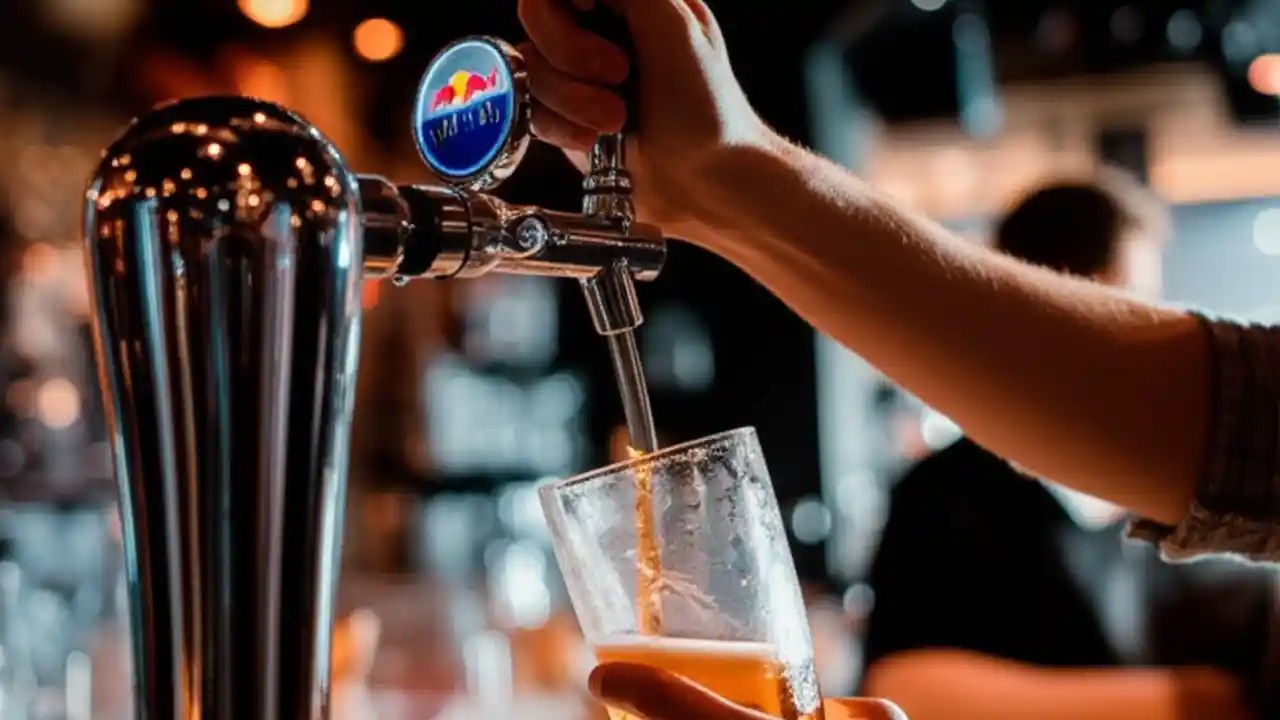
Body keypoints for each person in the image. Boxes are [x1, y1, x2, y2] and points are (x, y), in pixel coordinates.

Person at [516, 0, 1280, 716]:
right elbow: (1229, 421)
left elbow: (1227, 427)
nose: (1134, 322)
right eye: (1129, 303)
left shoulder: (1149, 520)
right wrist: (723, 179)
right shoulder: (957, 494)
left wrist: (727, 181)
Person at [860, 176, 1276, 720]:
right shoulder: (950, 491)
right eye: (1139, 302)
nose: (1158, 326)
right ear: (1075, 304)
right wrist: (1187, 701)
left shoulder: (1160, 499)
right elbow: (903, 689)